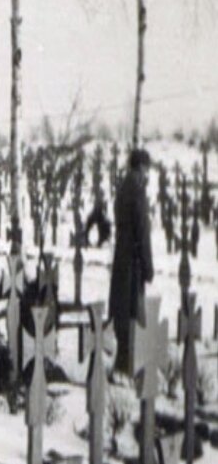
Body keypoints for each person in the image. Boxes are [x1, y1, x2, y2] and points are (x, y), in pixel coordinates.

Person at [108, 147, 154, 374]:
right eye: (146, 168)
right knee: (133, 312)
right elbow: (142, 231)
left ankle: (122, 361)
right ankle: (129, 365)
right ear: (141, 167)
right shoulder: (138, 190)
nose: (147, 174)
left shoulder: (123, 187)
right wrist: (148, 265)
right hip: (134, 261)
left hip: (121, 256)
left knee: (122, 311)